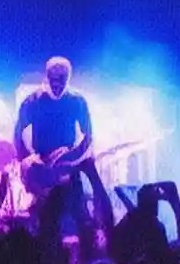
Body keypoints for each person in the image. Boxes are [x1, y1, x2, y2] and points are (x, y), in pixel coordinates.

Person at [13, 57, 113, 233]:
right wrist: (30, 160)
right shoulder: (33, 101)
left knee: (79, 214)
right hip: (42, 166)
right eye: (54, 78)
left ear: (68, 78)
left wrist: (70, 158)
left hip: (68, 166)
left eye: (62, 78)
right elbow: (18, 135)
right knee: (44, 216)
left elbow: (87, 136)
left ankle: (88, 240)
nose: (57, 83)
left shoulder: (77, 102)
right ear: (47, 76)